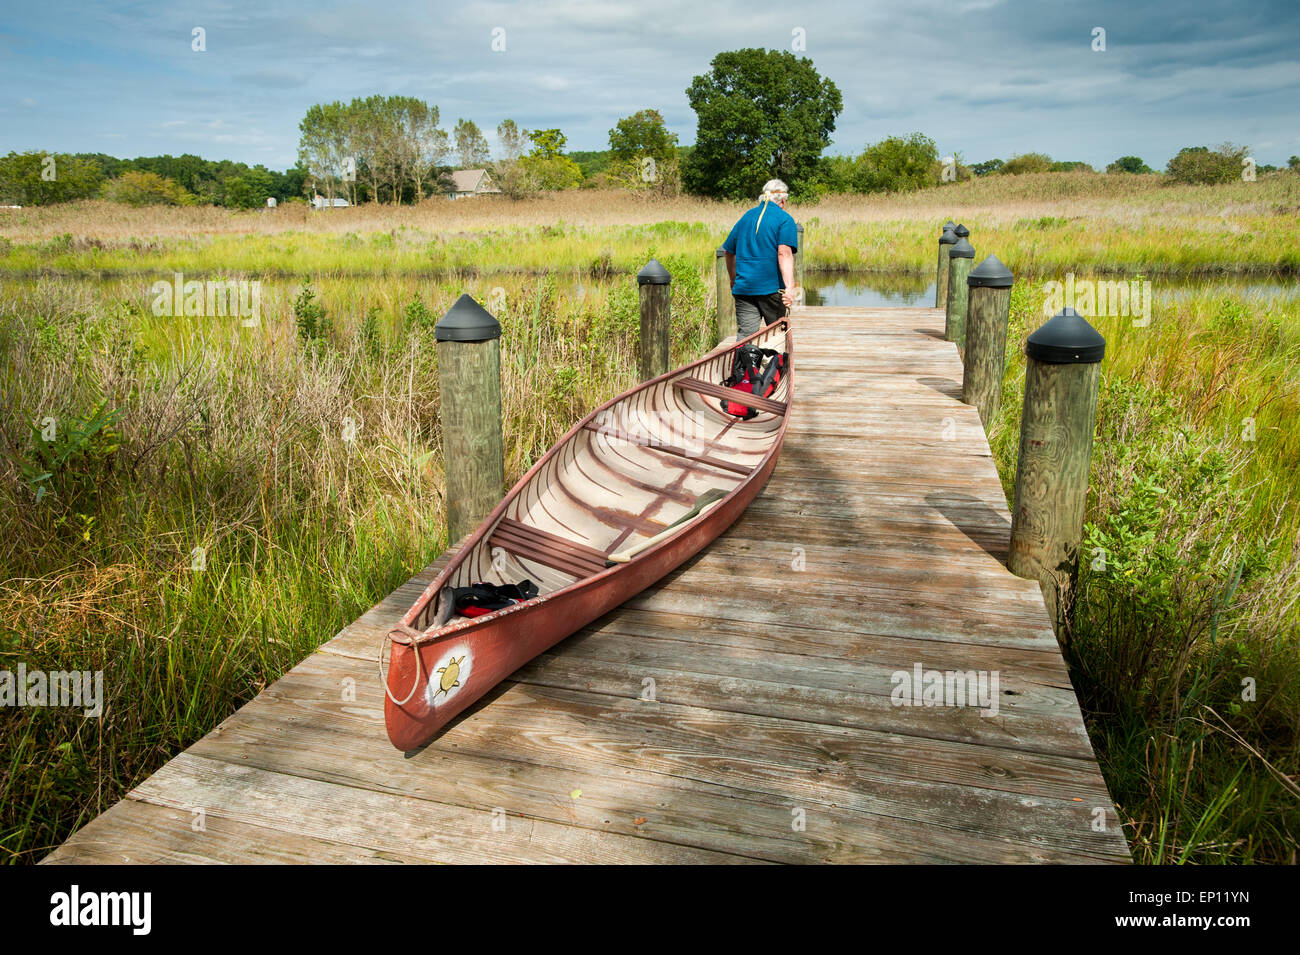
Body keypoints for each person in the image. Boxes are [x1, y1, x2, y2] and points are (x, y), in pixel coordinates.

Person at [721, 179, 798, 337]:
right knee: (777, 334)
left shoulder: (746, 217)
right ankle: (776, 355)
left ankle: (745, 355)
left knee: (746, 337)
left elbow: (728, 252)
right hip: (772, 289)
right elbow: (784, 253)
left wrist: (733, 279)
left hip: (744, 288)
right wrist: (790, 288)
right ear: (783, 200)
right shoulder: (785, 219)